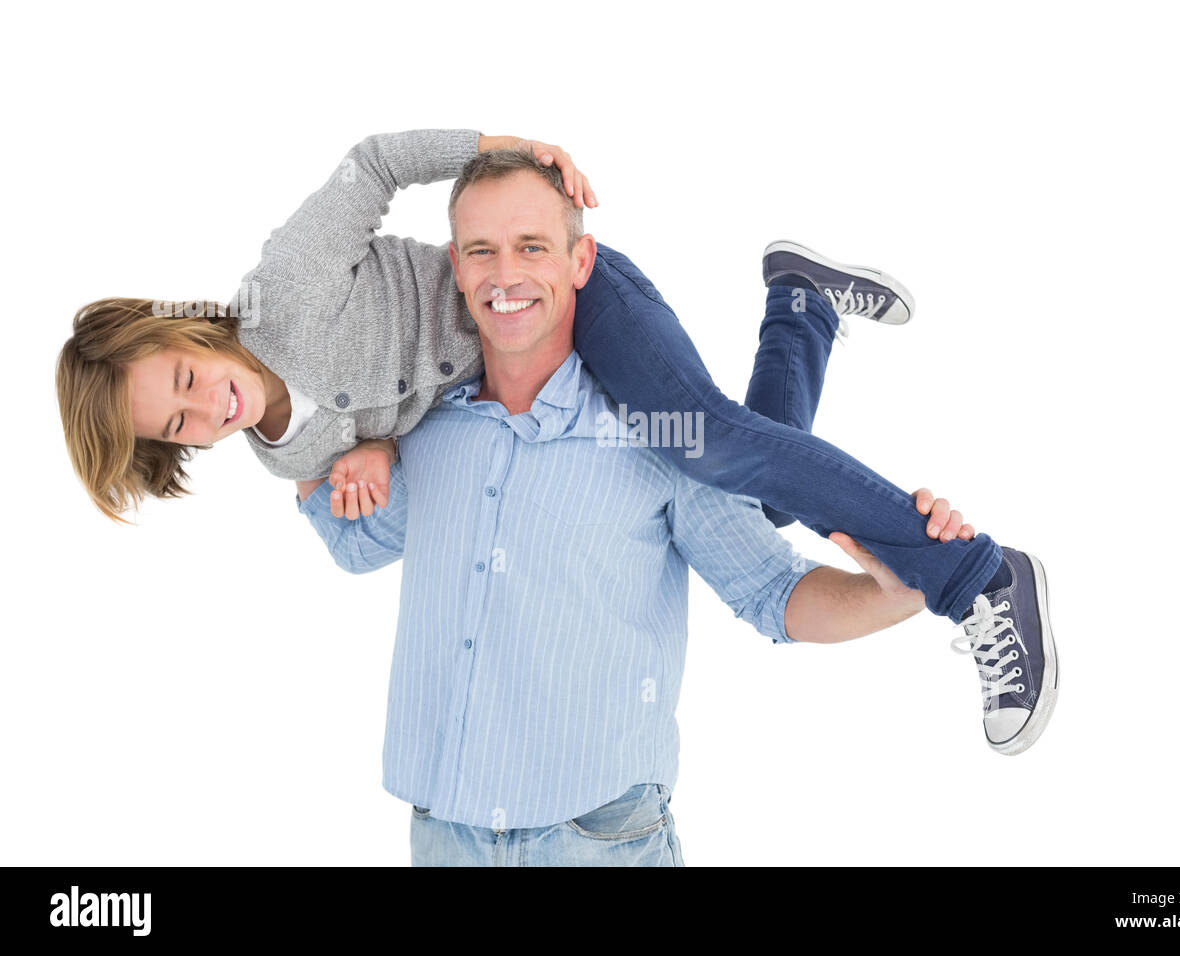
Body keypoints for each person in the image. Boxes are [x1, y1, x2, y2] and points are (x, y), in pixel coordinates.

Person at [55, 129, 1057, 755]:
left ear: (185, 329)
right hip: (521, 357)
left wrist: (499, 144)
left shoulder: (285, 283)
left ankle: (976, 575)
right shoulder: (281, 456)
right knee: (750, 483)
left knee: (705, 442)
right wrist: (377, 459)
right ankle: (800, 303)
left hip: (547, 286)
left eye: (186, 377)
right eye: (179, 425)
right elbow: (368, 529)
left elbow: (371, 163)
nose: (208, 407)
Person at [293, 152, 952, 865]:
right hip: (441, 838)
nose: (505, 275)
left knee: (751, 480)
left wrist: (903, 589)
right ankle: (803, 309)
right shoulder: (424, 427)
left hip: (599, 844)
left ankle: (802, 310)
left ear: (582, 261)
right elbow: (359, 545)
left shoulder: (658, 436)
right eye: (482, 250)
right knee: (761, 480)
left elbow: (772, 592)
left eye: (533, 247)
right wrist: (323, 445)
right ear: (455, 266)